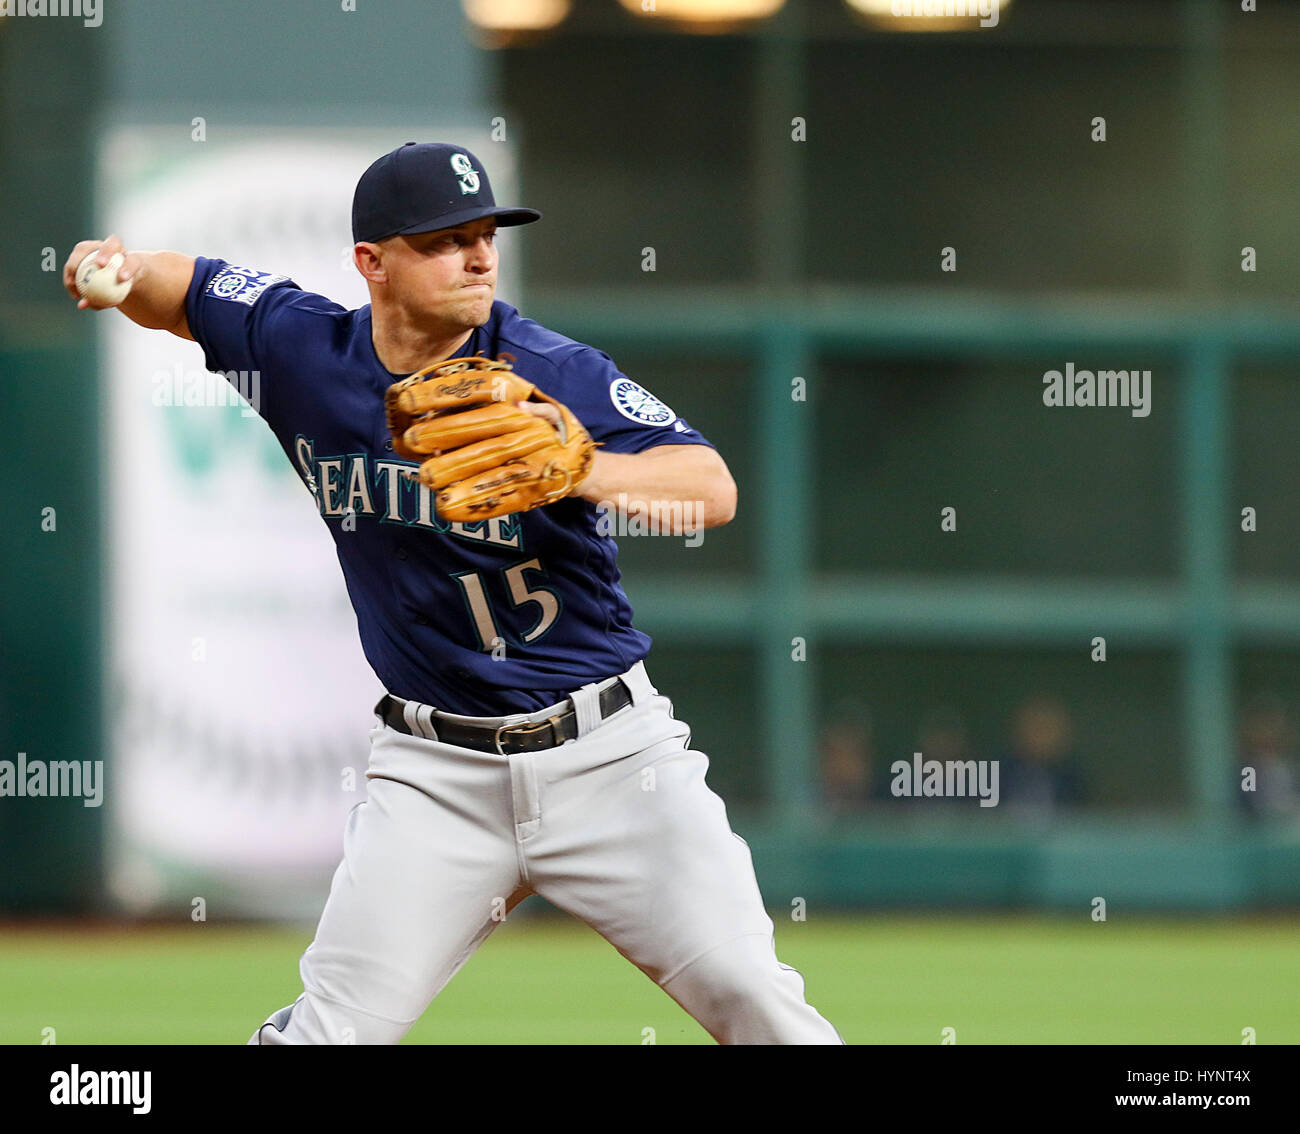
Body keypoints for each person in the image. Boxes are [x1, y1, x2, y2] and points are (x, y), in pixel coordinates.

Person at [65, 141, 841, 1045]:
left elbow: (710, 489)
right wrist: (116, 273)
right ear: (372, 262)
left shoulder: (550, 371)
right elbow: (188, 287)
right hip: (436, 777)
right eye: (444, 240)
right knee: (329, 1037)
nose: (477, 257)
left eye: (486, 235)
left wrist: (586, 467)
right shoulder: (303, 351)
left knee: (759, 1005)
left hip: (610, 758)